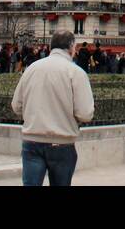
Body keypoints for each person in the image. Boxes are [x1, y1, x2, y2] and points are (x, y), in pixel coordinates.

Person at [10, 30, 95, 186]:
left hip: (32, 140)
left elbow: (16, 106)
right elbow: (85, 113)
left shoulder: (31, 69)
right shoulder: (76, 73)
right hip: (62, 142)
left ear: (50, 47)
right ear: (72, 47)